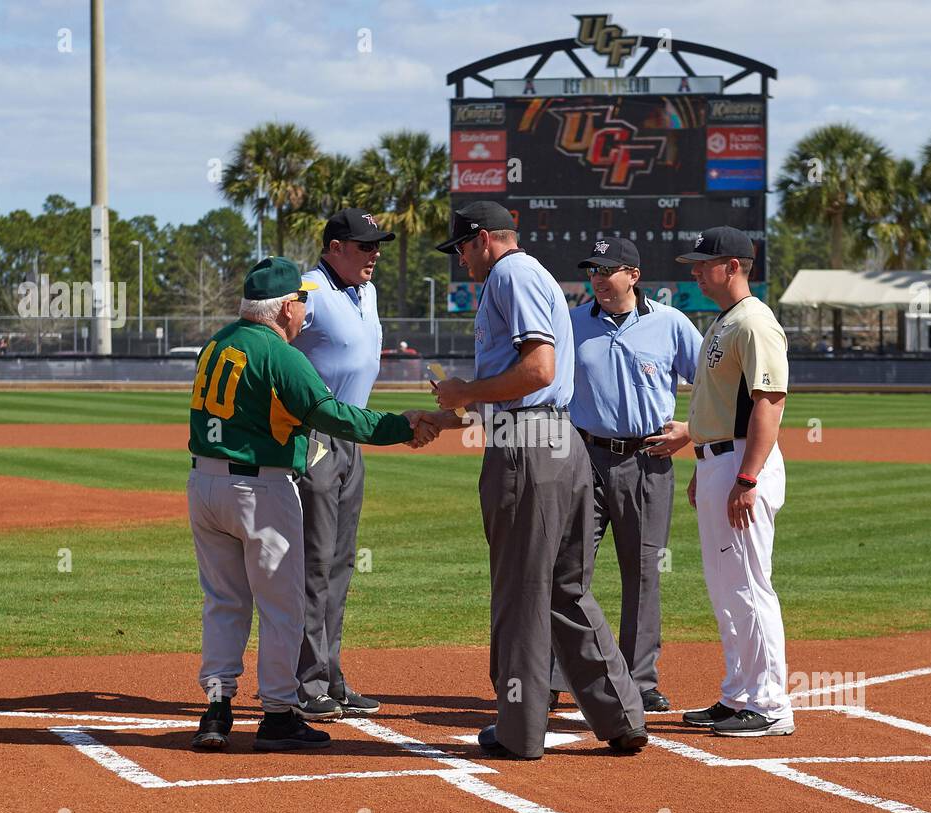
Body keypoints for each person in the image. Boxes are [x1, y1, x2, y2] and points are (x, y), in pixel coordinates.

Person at [186, 256, 437, 753]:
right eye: (301, 302)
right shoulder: (282, 355)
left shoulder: (217, 343)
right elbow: (335, 417)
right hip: (259, 489)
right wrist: (402, 426)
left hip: (203, 484)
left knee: (224, 603)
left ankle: (217, 710)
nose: (305, 311)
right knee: (283, 607)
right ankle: (279, 713)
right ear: (283, 309)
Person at [427, 200, 647, 760]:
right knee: (566, 591)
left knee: (523, 592)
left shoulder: (510, 272)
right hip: (558, 442)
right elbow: (528, 388)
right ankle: (621, 715)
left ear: (481, 240)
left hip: (526, 448)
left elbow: (537, 371)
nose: (460, 262)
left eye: (460, 249)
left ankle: (520, 732)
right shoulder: (530, 274)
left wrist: (466, 391)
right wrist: (446, 416)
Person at [548, 237, 703, 714]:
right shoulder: (571, 324)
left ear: (633, 275)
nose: (597, 276)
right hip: (586, 457)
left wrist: (692, 431)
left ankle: (639, 680)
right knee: (568, 569)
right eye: (592, 269)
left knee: (644, 574)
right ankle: (558, 675)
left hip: (649, 460)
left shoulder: (671, 324)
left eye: (607, 268)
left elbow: (716, 384)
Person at [676, 227, 795, 737]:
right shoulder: (726, 322)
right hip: (718, 462)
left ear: (734, 266)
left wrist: (745, 477)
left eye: (705, 263)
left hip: (744, 462)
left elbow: (770, 402)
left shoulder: (754, 323)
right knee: (727, 586)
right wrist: (703, 463)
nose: (697, 271)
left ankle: (770, 705)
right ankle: (739, 693)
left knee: (749, 583)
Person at [289, 209, 395, 722]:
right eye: (364, 245)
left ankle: (330, 674)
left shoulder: (365, 291)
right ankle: (306, 681)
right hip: (313, 438)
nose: (374, 254)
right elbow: (270, 343)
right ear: (334, 247)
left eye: (377, 245)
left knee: (340, 563)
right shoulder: (308, 287)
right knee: (314, 563)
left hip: (351, 438)